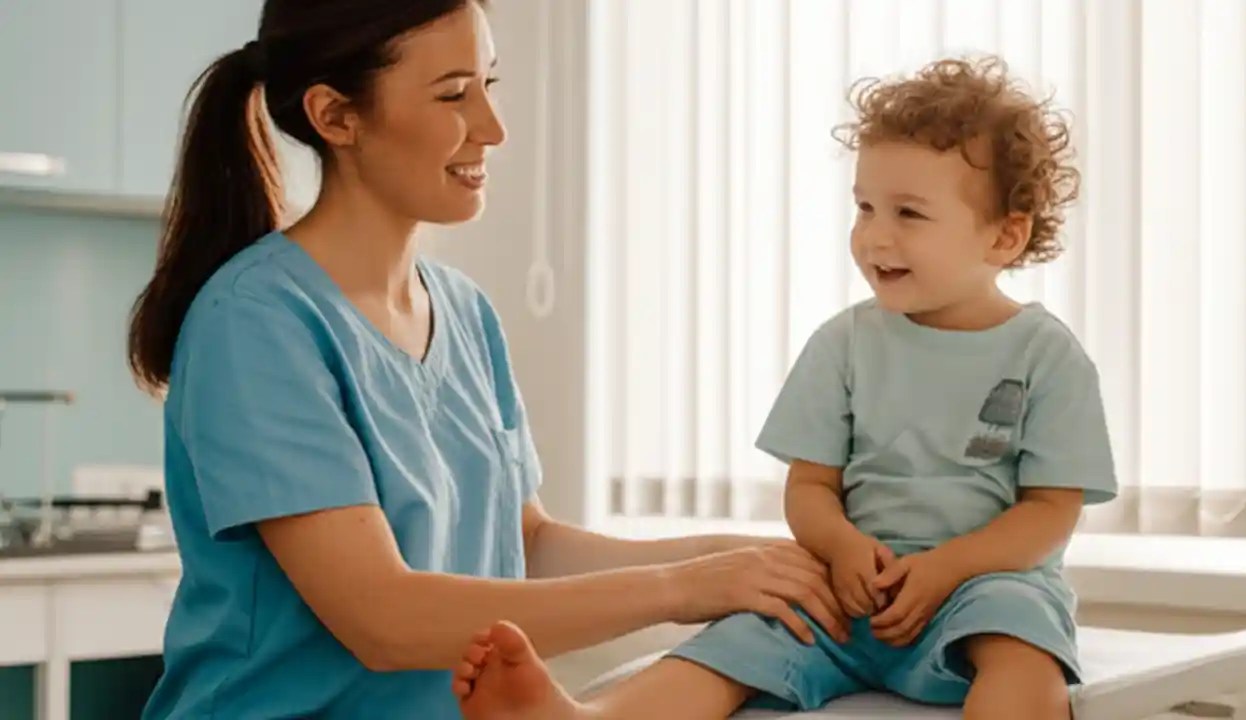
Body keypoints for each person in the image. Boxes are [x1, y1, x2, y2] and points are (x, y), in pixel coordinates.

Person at [125, 2, 848, 718]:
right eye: (452, 95)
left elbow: (525, 543)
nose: (493, 129)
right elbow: (384, 619)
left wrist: (740, 560)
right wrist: (685, 589)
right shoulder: (256, 322)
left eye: (488, 86)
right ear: (336, 117)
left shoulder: (464, 311)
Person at [452, 55, 1118, 720]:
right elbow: (811, 486)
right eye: (864, 207)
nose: (873, 236)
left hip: (982, 586)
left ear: (1005, 236)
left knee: (1021, 645)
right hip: (850, 588)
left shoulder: (1045, 355)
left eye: (909, 214)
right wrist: (841, 546)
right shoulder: (845, 344)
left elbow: (1049, 512)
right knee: (744, 635)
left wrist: (949, 569)